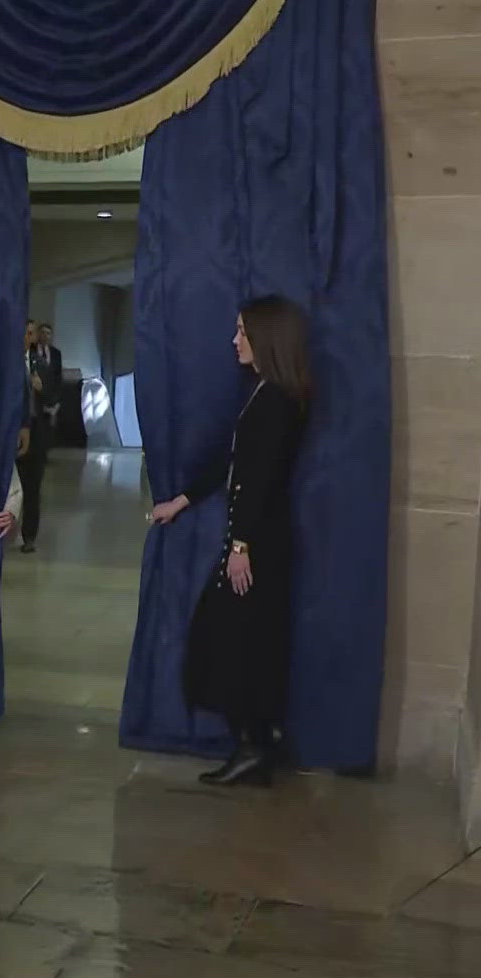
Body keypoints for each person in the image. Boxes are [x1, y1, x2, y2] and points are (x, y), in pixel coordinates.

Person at [149, 296, 311, 786]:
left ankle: (254, 744)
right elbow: (232, 462)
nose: (234, 340)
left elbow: (258, 478)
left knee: (235, 646)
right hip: (256, 540)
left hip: (258, 544)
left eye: (243, 331)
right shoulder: (265, 393)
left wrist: (241, 547)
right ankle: (260, 739)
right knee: (239, 644)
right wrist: (182, 499)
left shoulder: (277, 401)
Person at [19, 319, 63, 552]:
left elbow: (52, 395)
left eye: (29, 334)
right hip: (13, 433)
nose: (27, 338)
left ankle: (29, 537)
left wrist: (42, 389)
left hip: (37, 433)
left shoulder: (39, 364)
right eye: (23, 334)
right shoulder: (6, 365)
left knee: (33, 487)